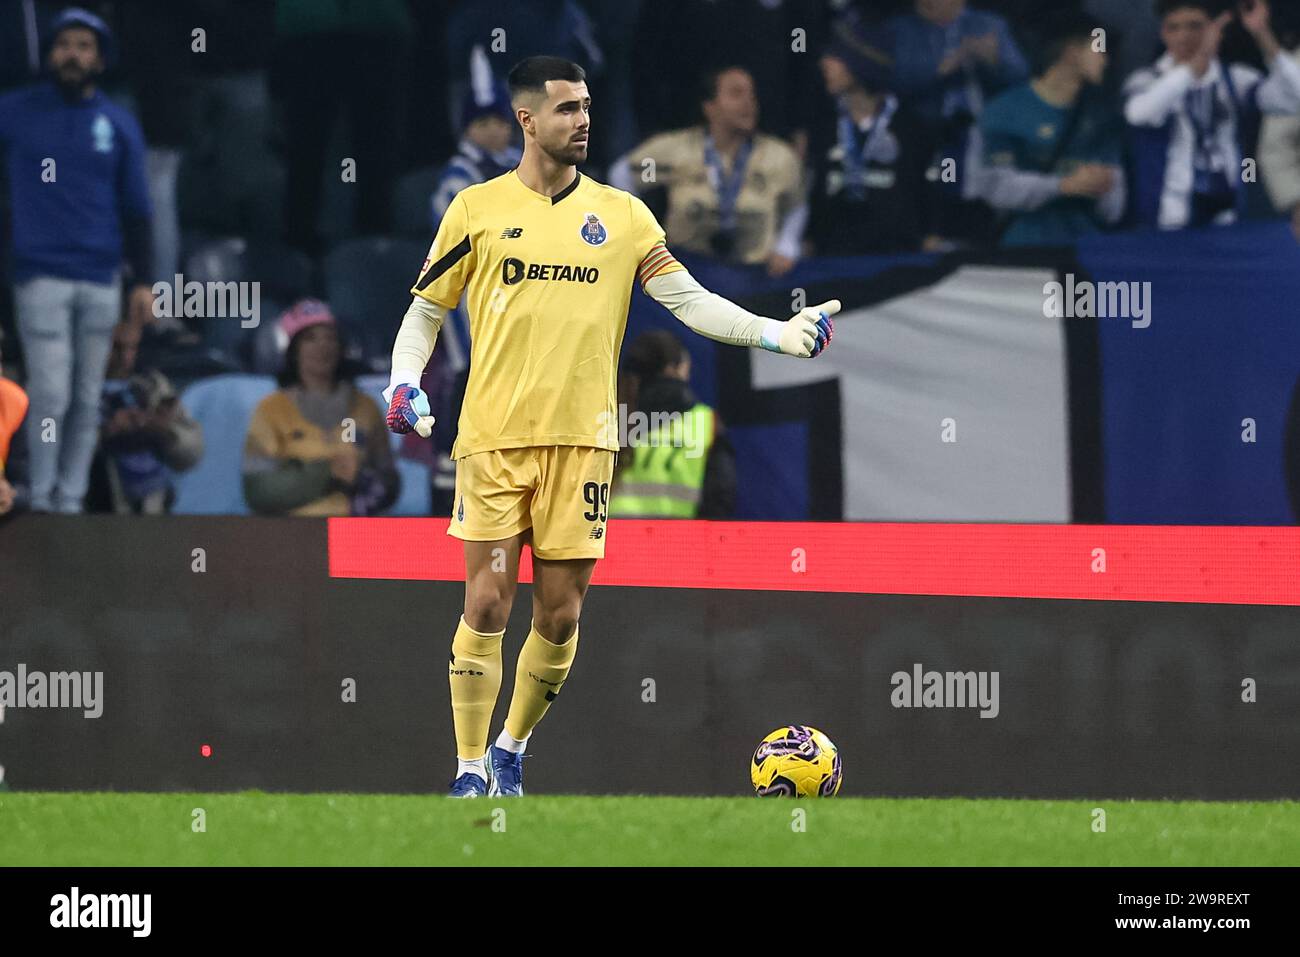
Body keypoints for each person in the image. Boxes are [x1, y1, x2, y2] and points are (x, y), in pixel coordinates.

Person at [382, 56, 838, 798]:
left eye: (588, 105)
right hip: (494, 437)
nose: (583, 119)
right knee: (488, 602)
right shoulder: (476, 208)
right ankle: (467, 770)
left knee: (558, 616)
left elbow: (689, 302)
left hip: (586, 442)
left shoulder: (624, 217)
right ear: (527, 120)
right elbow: (427, 309)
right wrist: (403, 380)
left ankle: (511, 748)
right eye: (565, 108)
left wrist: (774, 334)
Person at [0, 8, 155, 513]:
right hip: (39, 271)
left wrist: (143, 281)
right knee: (49, 393)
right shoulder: (15, 112)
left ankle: (69, 501)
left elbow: (138, 210)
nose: (73, 54)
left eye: (84, 46)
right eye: (64, 44)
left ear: (100, 58)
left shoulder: (118, 122)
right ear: (49, 54)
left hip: (101, 275)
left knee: (89, 396)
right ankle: (40, 497)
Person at [610, 66, 806, 276]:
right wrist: (641, 233)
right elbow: (622, 174)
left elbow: (796, 205)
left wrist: (787, 245)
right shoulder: (677, 149)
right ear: (709, 107)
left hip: (754, 277)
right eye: (736, 94)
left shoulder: (779, 157)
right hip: (687, 271)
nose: (748, 103)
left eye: (752, 95)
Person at [1125, 0, 1300, 229]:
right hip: (1166, 224)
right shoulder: (1147, 80)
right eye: (1173, 28)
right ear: (1163, 33)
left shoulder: (1235, 80)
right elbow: (1138, 114)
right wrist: (1195, 65)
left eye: (1194, 26)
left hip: (1229, 221)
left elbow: (1296, 97)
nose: (1183, 36)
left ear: (1215, 30)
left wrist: (1263, 35)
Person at [977, 12, 1126, 246]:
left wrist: (1105, 185)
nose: (1105, 59)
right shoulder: (1006, 110)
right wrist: (1062, 186)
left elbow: (1114, 209)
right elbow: (995, 189)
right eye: (1098, 48)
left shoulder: (1102, 117)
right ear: (1071, 53)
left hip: (1088, 249)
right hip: (1022, 247)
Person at [244, 301, 398, 517]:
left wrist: (365, 479)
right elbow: (258, 491)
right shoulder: (270, 410)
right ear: (293, 349)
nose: (322, 346)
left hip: (356, 531)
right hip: (286, 533)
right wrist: (326, 472)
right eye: (310, 338)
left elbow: (390, 480)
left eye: (330, 338)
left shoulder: (365, 407)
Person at [809, 16, 937, 254]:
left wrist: (930, 236)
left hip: (895, 266)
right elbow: (812, 195)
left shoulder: (911, 128)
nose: (824, 63)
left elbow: (925, 194)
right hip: (829, 262)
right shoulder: (822, 125)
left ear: (860, 64)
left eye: (836, 56)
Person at [608, 331, 736, 519]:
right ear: (674, 368)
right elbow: (720, 496)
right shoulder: (706, 422)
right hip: (680, 543)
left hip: (613, 541)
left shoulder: (609, 418)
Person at [91, 321, 203, 514]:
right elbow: (51, 446)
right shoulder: (76, 393)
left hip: (154, 506)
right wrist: (106, 432)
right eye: (116, 348)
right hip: (95, 504)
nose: (125, 357)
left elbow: (192, 452)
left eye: (132, 348)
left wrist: (164, 432)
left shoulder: (152, 385)